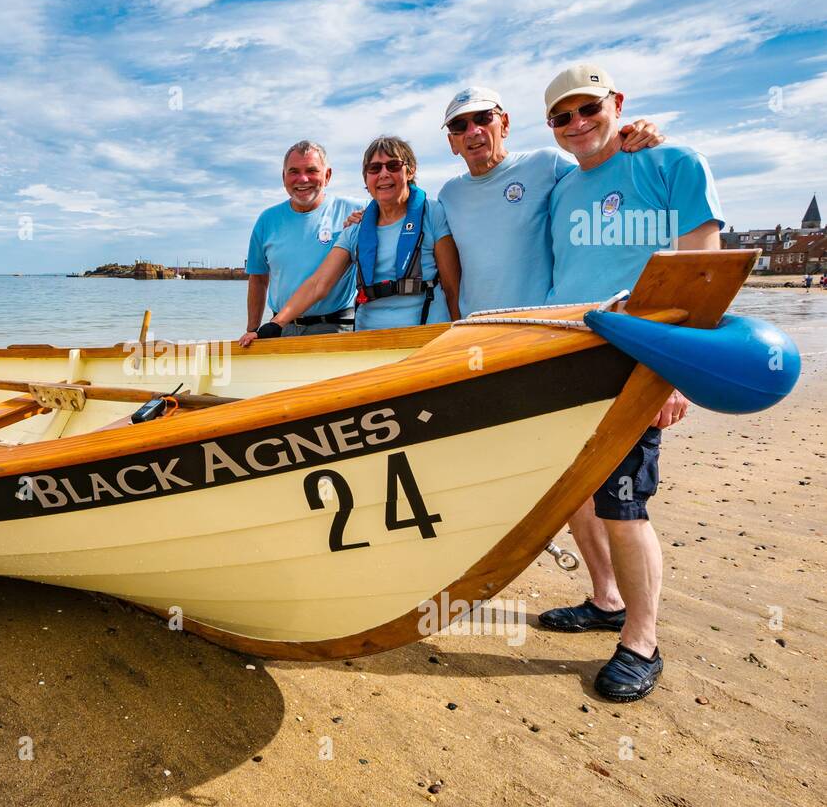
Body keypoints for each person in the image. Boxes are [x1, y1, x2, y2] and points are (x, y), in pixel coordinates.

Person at [536, 63, 723, 703]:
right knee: (571, 495)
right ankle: (606, 600)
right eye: (562, 117)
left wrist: (675, 369)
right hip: (568, 358)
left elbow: (703, 273)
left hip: (639, 361)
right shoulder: (562, 189)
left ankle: (642, 641)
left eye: (589, 109)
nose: (577, 124)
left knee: (623, 501)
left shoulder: (671, 163)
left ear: (617, 103)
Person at [434, 86, 664, 316]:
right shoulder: (448, 195)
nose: (473, 131)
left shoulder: (546, 165)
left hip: (540, 326)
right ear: (452, 142)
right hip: (474, 329)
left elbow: (603, 172)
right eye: (459, 126)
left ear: (504, 124)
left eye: (483, 118)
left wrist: (636, 134)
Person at [241, 136, 459, 344]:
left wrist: (459, 334)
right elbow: (319, 284)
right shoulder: (356, 227)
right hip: (368, 338)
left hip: (424, 334)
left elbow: (452, 285)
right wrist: (274, 325)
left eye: (393, 166)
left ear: (410, 171)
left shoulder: (432, 213)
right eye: (374, 168)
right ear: (366, 178)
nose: (383, 174)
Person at [242, 141, 366, 340]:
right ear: (284, 177)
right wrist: (252, 329)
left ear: (327, 175)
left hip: (337, 329)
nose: (303, 179)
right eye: (293, 172)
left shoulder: (358, 210)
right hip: (280, 330)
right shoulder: (267, 220)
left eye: (312, 170)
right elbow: (258, 278)